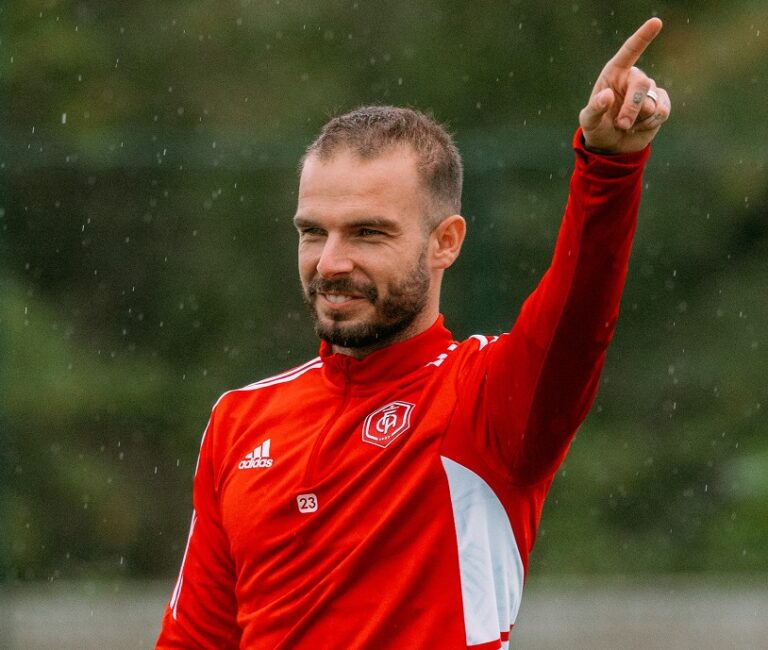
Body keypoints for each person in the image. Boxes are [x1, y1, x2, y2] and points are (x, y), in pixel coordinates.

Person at [157, 17, 670, 650]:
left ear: (445, 243)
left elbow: (578, 319)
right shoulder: (240, 421)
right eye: (313, 231)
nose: (330, 261)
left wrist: (609, 169)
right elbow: (194, 642)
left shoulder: (485, 403)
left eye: (368, 233)